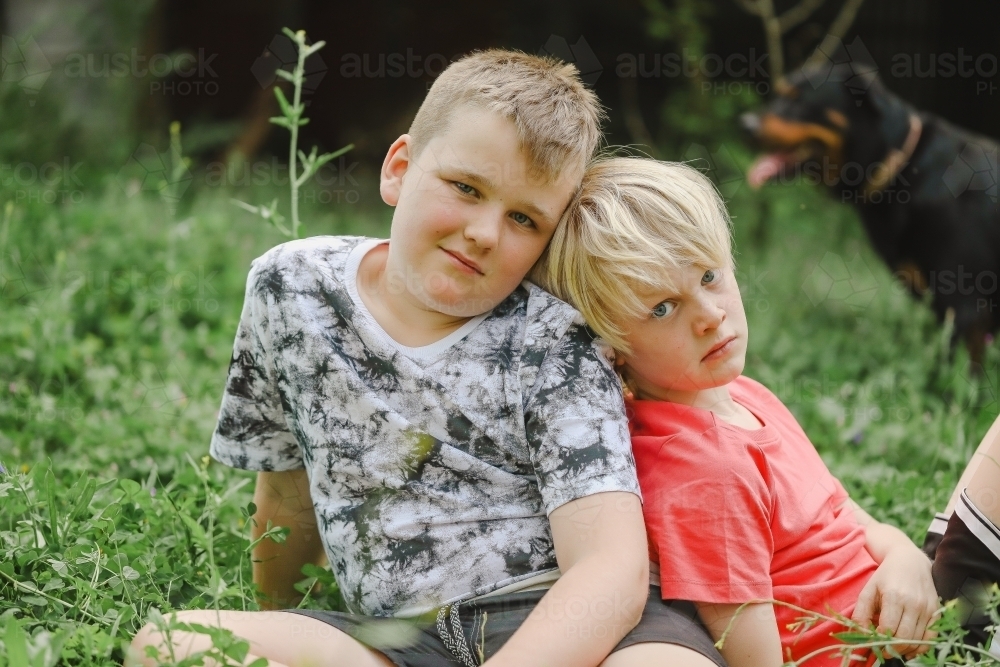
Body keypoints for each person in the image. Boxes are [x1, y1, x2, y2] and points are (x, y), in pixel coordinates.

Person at [127, 53, 727, 667]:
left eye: (524, 218)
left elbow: (608, 571)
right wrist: (276, 616)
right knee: (171, 645)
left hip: (566, 624)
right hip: (403, 640)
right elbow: (285, 490)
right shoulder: (292, 287)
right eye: (467, 189)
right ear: (399, 168)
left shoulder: (554, 337)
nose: (485, 233)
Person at [532, 156, 1000, 667]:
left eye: (709, 277)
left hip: (910, 596)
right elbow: (752, 652)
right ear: (613, 345)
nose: (710, 317)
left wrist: (904, 556)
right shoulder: (704, 469)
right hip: (899, 652)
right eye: (662, 308)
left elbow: (846, 515)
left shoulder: (745, 396)